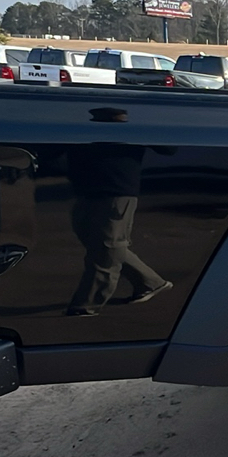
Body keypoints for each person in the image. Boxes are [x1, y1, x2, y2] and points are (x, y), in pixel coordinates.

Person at [64, 115, 171, 316]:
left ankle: (87, 306)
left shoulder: (134, 120)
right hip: (87, 189)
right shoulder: (83, 117)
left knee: (107, 248)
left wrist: (134, 125)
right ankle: (150, 282)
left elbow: (168, 147)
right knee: (99, 241)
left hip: (117, 190)